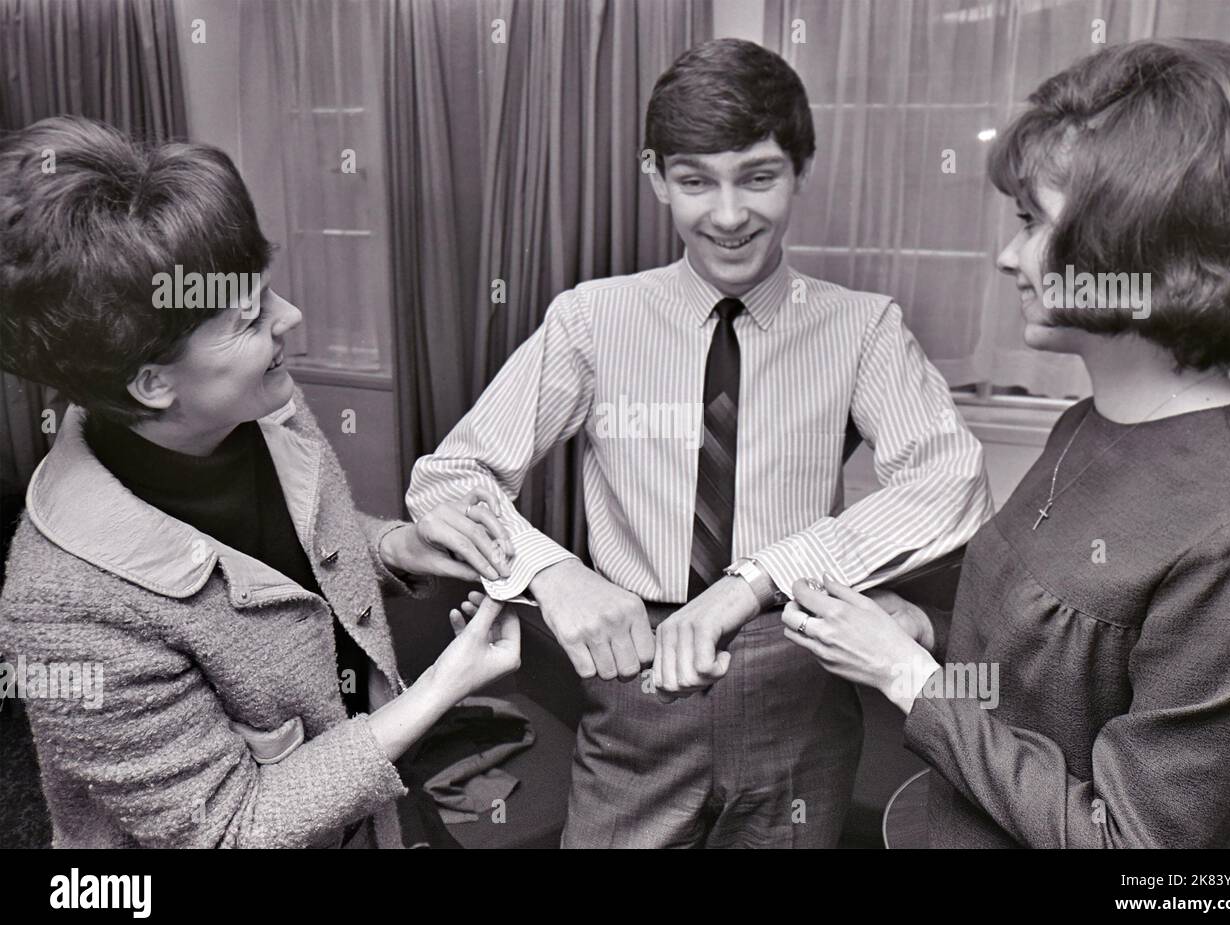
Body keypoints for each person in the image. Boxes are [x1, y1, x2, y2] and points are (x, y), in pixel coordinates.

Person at [405, 38, 993, 848]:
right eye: (694, 181)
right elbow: (449, 479)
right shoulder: (590, 319)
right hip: (630, 688)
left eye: (758, 176)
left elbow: (951, 485)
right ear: (655, 176)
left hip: (800, 685)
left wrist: (755, 581)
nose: (727, 214)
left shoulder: (864, 330)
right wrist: (554, 571)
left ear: (800, 168)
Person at [782, 38, 1230, 847]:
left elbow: (1132, 849)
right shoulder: (1087, 423)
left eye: (1033, 224)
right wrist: (928, 636)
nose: (1006, 256)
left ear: (1146, 251)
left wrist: (907, 678)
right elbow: (1053, 674)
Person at [0, 116, 520, 848]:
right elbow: (230, 829)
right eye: (251, 320)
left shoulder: (261, 400)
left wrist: (399, 547)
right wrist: (442, 687)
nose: (292, 319)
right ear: (153, 384)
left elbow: (296, 562)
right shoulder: (63, 614)